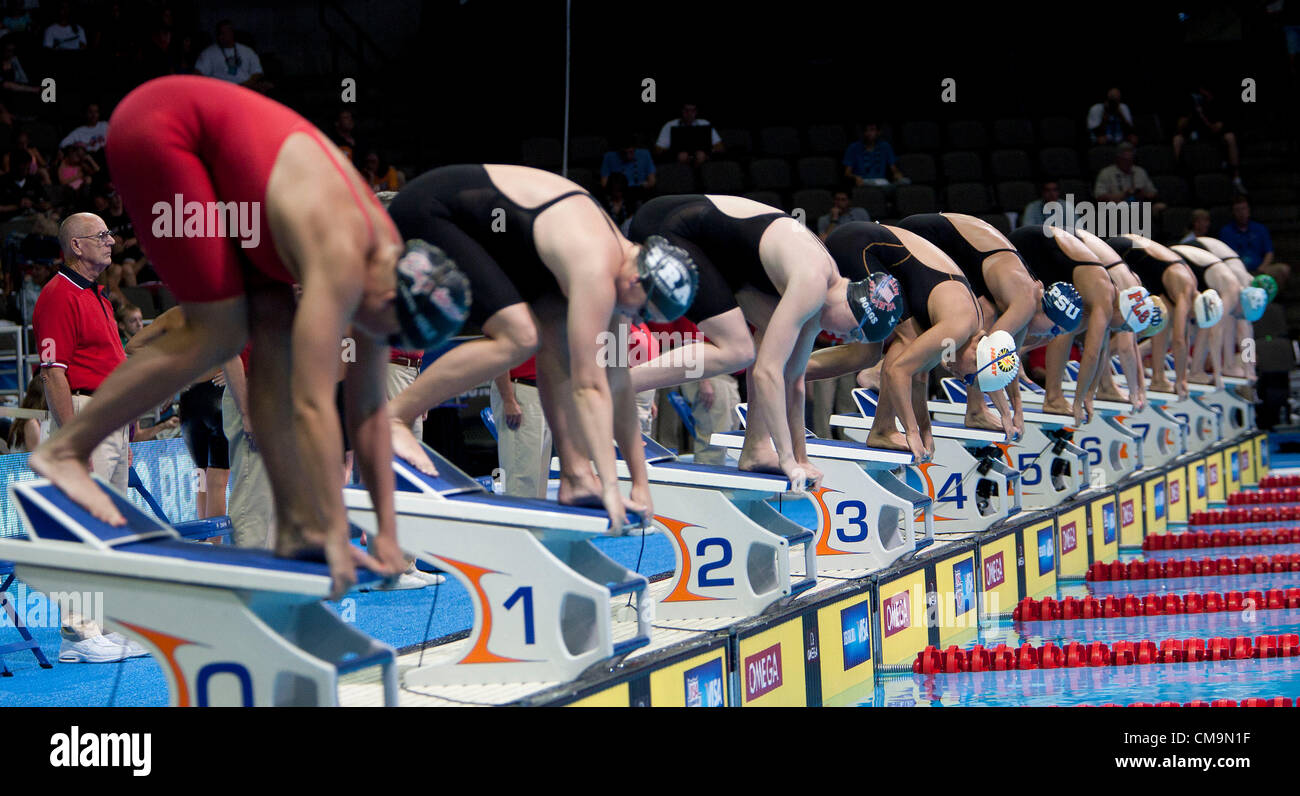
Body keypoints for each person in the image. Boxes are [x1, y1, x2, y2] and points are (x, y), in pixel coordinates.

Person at [30, 75, 469, 599]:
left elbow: (369, 417)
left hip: (242, 188)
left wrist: (389, 543)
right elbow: (310, 405)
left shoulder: (382, 267)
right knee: (222, 330)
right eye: (389, 324)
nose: (379, 334)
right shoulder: (340, 256)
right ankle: (65, 450)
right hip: (162, 127)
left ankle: (297, 530)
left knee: (268, 332)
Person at [384, 163, 699, 528]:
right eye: (640, 309)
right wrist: (612, 486)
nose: (635, 317)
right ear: (634, 280)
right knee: (520, 338)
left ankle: (575, 476)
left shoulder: (621, 269)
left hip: (504, 235)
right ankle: (394, 416)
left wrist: (640, 484)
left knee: (551, 346)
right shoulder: (598, 266)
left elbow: (618, 383)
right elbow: (589, 385)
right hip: (437, 209)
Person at [623, 194, 898, 484]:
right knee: (738, 351)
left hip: (719, 250)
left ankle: (756, 448)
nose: (846, 337)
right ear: (853, 304)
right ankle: (620, 386)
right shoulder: (813, 282)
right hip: (673, 226)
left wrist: (801, 458)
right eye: (856, 330)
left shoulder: (823, 299)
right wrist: (788, 460)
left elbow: (794, 380)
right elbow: (768, 373)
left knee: (775, 348)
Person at [33, 212, 146, 663]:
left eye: (110, 234)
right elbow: (53, 373)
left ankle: (100, 628)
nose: (111, 241)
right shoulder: (59, 295)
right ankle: (77, 633)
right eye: (100, 236)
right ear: (76, 246)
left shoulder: (98, 295)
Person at [820, 221, 1018, 458]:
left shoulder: (968, 329)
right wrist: (912, 431)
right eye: (968, 377)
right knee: (883, 352)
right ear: (976, 351)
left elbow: (921, 375)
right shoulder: (959, 326)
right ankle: (882, 426)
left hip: (869, 245)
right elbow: (899, 372)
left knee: (883, 353)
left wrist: (926, 429)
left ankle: (881, 424)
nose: (960, 378)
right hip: (859, 245)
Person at [895, 212, 1084, 437]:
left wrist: (1017, 410)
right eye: (1053, 330)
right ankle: (972, 409)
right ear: (1047, 313)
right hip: (926, 234)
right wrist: (1005, 413)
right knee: (963, 321)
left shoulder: (1028, 300)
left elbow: (1007, 359)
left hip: (948, 241)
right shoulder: (1024, 301)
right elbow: (989, 357)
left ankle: (974, 406)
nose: (1050, 338)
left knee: (982, 314)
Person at [124, 306, 230, 522]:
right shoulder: (221, 311)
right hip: (217, 394)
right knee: (217, 481)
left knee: (200, 476)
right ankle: (216, 544)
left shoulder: (173, 315)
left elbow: (132, 345)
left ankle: (207, 542)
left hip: (189, 401)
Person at [1009, 224, 1117, 423]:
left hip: (1049, 249)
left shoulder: (1105, 297)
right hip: (1033, 243)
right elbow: (1091, 355)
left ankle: (1017, 356)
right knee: (1036, 317)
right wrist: (1077, 402)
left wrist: (1088, 396)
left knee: (1060, 327)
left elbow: (1101, 351)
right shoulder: (1104, 298)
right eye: (1125, 327)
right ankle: (1052, 397)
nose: (1123, 330)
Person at [1107, 234, 1202, 399]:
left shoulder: (1180, 289)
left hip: (1140, 259)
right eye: (1193, 318)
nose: (1190, 318)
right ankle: (1106, 382)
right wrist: (1182, 380)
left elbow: (1177, 336)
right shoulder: (1186, 290)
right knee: (1128, 325)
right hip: (1120, 251)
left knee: (1161, 320)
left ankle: (1158, 378)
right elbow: (1179, 340)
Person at [1072, 228, 1155, 411]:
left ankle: (1106, 386)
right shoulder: (1124, 297)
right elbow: (1125, 349)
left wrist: (1140, 388)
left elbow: (1131, 345)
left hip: (1085, 247)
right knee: (1065, 329)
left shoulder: (1133, 293)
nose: (1129, 330)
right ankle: (1104, 387)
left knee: (1101, 331)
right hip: (1070, 245)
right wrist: (1134, 392)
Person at [489, 355, 552, 498]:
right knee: (520, 485)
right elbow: (499, 352)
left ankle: (536, 519)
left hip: (543, 389)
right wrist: (508, 399)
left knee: (537, 484)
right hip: (519, 390)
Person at [1173, 84, 1244, 192]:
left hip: (1213, 136)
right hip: (1193, 135)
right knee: (1177, 140)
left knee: (1230, 137)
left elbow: (1216, 128)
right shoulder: (1190, 105)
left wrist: (1203, 115)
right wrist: (1191, 114)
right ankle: (1180, 174)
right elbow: (1179, 127)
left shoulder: (1217, 106)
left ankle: (1236, 176)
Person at [1219, 195, 1289, 290]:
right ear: (1233, 212)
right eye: (1238, 210)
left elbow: (1269, 253)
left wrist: (1262, 268)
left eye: (1244, 209)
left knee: (1283, 269)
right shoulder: (1226, 231)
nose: (1241, 213)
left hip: (1261, 269)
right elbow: (1226, 257)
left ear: (1249, 210)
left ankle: (1270, 300)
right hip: (1239, 272)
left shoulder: (1260, 229)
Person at [194, 19, 273, 93]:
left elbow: (257, 72)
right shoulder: (208, 53)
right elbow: (198, 73)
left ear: (232, 33)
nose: (221, 37)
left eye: (224, 33)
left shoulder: (247, 51)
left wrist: (245, 85)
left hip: (244, 89)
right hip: (219, 91)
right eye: (219, 33)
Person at [1093, 142, 1164, 212]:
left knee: (1160, 206)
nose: (1128, 162)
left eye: (1130, 159)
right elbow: (1100, 196)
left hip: (1139, 205)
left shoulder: (1140, 171)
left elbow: (1153, 193)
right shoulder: (1106, 173)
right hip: (1116, 207)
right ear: (1118, 158)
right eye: (1125, 159)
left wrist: (1143, 194)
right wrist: (1123, 195)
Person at [653, 102, 724, 166]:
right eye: (686, 111)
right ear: (682, 111)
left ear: (696, 112)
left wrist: (707, 153)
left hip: (702, 160)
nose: (689, 114)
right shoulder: (670, 125)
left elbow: (720, 147)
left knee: (701, 156)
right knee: (682, 157)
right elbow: (658, 149)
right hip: (677, 161)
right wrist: (674, 154)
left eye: (692, 111)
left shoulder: (705, 123)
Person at [842, 122, 906, 188]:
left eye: (872, 130)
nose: (868, 133)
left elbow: (893, 168)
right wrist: (855, 177)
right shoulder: (853, 147)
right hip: (863, 182)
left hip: (881, 182)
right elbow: (847, 173)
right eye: (866, 130)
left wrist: (897, 174)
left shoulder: (885, 146)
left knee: (904, 181)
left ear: (879, 132)